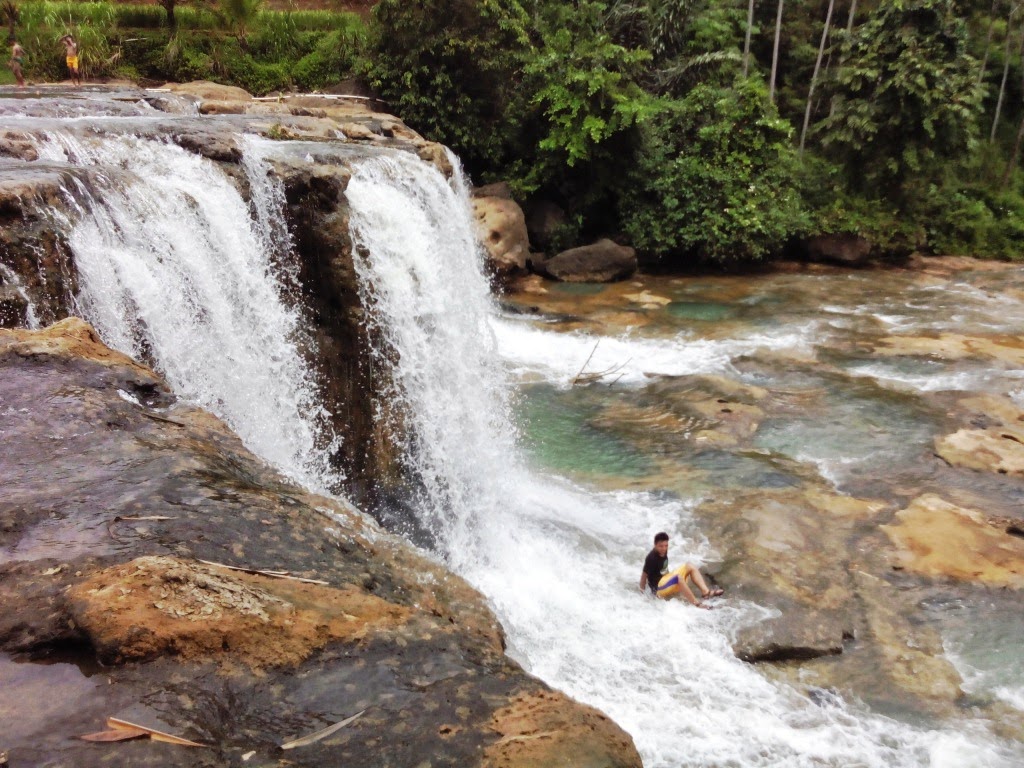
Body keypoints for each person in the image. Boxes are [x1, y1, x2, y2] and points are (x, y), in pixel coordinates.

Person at [640, 531, 723, 609]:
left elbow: (663, 570)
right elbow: (644, 576)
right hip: (658, 589)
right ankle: (697, 604)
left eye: (666, 545)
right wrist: (643, 596)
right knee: (678, 578)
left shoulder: (663, 552)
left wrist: (670, 579)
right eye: (661, 546)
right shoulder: (651, 558)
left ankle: (706, 592)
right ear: (655, 545)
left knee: (689, 565)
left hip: (664, 580)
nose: (664, 548)